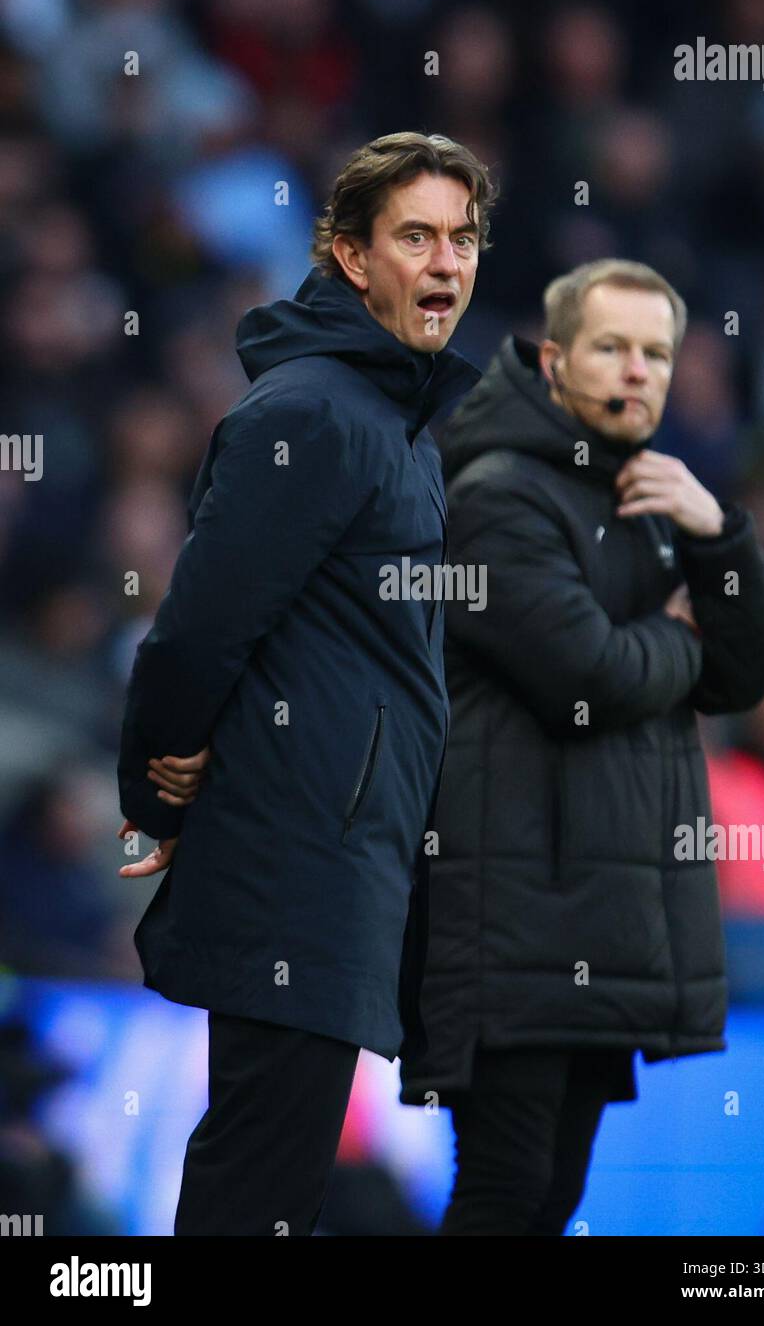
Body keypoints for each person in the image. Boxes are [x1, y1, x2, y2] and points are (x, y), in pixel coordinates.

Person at [115, 131, 493, 1236]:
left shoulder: (399, 429)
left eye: (461, 239)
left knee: (269, 1188)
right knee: (254, 1187)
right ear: (347, 256)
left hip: (342, 856)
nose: (443, 262)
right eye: (414, 235)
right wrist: (154, 790)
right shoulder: (313, 412)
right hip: (297, 854)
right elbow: (196, 634)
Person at [398, 258, 764, 1235]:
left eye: (655, 352)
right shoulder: (496, 494)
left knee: (546, 1198)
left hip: (597, 921)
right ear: (555, 357)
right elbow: (590, 674)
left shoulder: (650, 495)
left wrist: (719, 536)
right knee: (504, 1189)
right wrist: (680, 634)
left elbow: (739, 679)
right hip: (513, 914)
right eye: (611, 346)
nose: (636, 370)